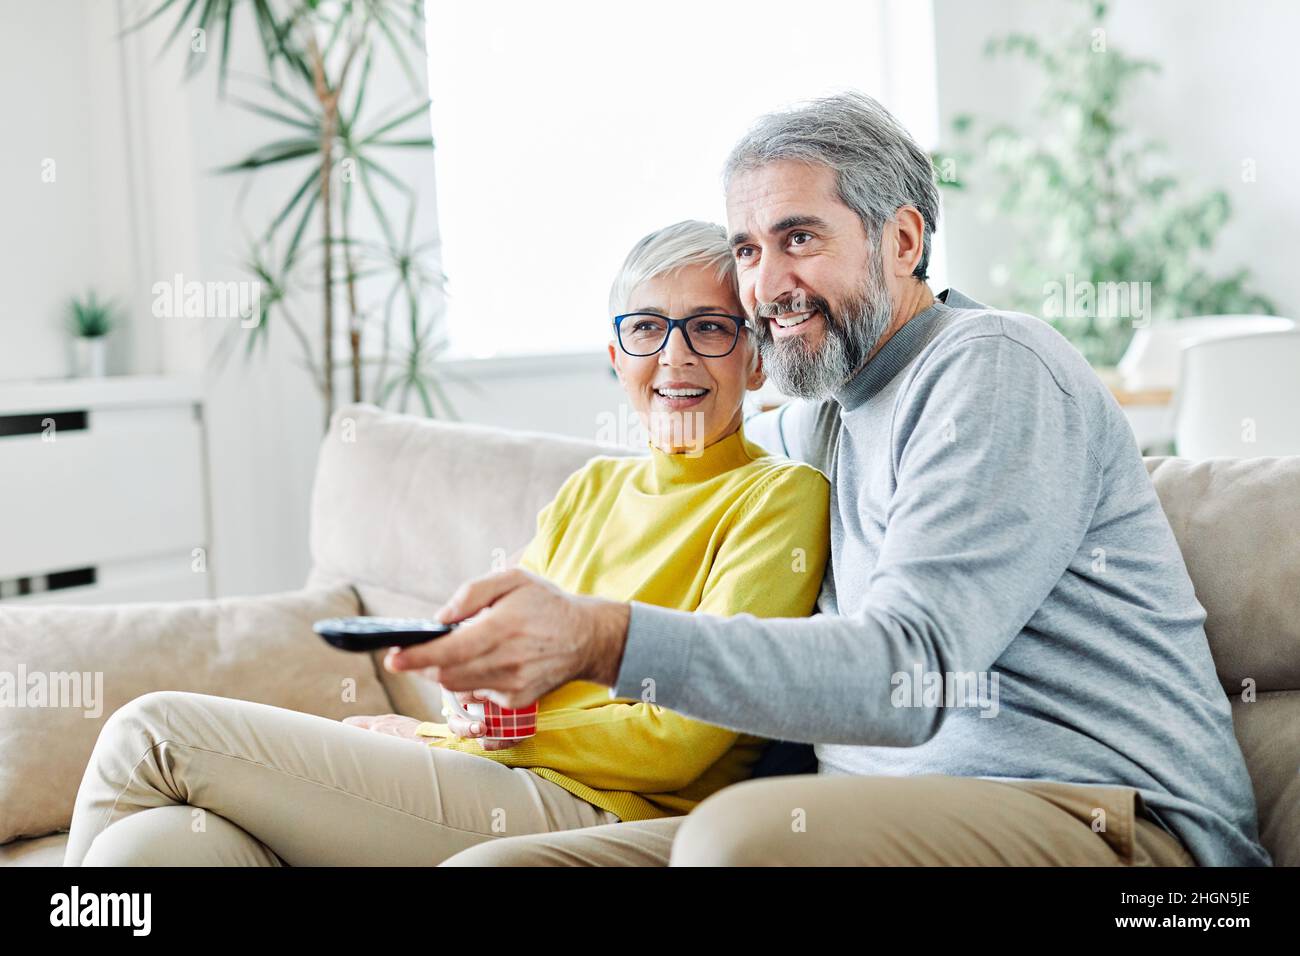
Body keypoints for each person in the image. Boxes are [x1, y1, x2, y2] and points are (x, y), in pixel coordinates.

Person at [406, 92, 1271, 868]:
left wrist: (599, 636)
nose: (766, 286)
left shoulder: (992, 367)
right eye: (747, 250)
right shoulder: (820, 420)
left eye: (799, 239)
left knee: (733, 840)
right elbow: (680, 445)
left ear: (903, 240)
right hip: (865, 823)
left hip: (1112, 829)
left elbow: (912, 670)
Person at [62, 220, 830, 866]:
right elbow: (487, 668)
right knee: (156, 849)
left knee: (152, 730)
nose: (675, 355)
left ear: (757, 355)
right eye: (646, 328)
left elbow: (682, 738)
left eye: (709, 327)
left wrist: (440, 738)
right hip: (490, 777)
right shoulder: (594, 489)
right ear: (615, 357)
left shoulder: (779, 498)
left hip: (606, 809)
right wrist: (459, 704)